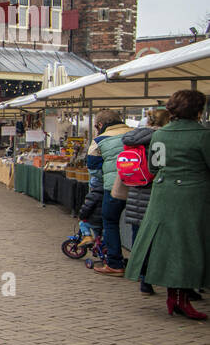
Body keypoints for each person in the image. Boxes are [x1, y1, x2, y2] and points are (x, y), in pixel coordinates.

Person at [124, 90, 210, 319]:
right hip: (193, 195)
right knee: (189, 245)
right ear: (198, 110)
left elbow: (153, 168)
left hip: (162, 194)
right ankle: (180, 298)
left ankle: (175, 297)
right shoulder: (202, 135)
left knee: (169, 245)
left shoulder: (160, 135)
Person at [119, 108, 170, 294]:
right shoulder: (162, 139)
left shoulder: (133, 137)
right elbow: (160, 168)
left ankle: (142, 276)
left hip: (136, 190)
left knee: (138, 236)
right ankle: (152, 276)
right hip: (155, 193)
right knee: (156, 239)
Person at [86, 109, 132, 276]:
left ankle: (115, 263)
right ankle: (140, 265)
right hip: (139, 186)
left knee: (110, 222)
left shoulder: (99, 140)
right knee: (137, 225)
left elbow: (93, 169)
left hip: (113, 187)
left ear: (100, 125)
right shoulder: (136, 134)